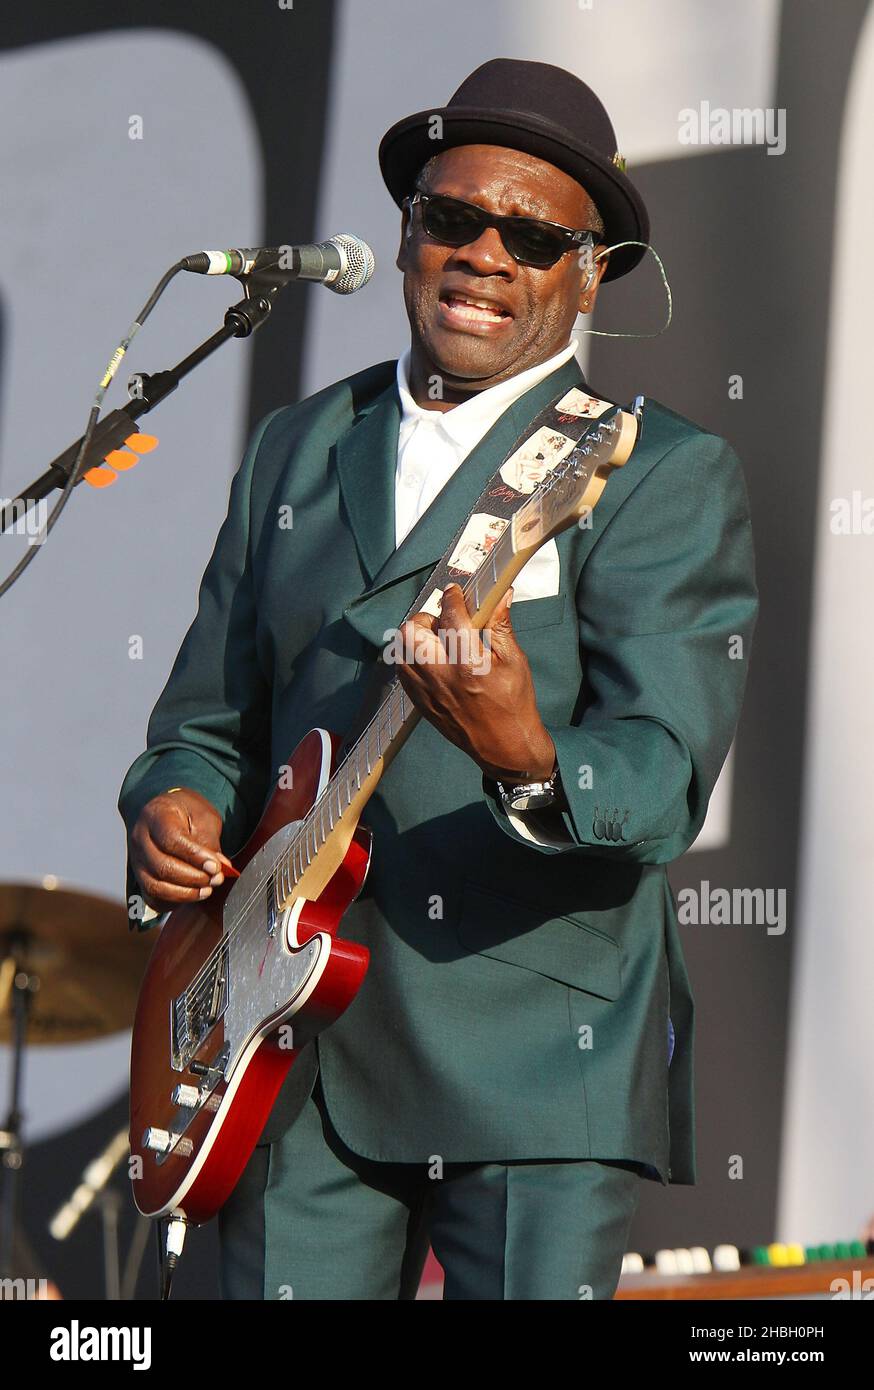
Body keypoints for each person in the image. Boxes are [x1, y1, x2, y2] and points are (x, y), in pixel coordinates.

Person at [119, 58, 758, 1300]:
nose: (481, 253)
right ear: (408, 234)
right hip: (285, 1035)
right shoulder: (299, 445)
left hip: (533, 1045)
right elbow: (203, 717)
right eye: (450, 217)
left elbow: (661, 772)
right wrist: (173, 802)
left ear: (590, 274)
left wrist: (528, 750)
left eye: (529, 236)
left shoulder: (651, 471)